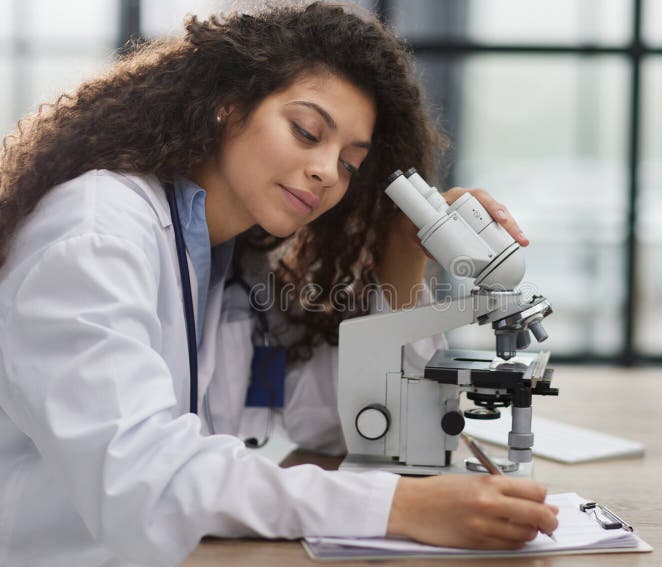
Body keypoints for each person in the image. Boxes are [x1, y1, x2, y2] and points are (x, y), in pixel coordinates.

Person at [0, 3, 558, 566]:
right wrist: (401, 507)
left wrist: (403, 252)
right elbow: (146, 478)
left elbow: (342, 421)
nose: (325, 171)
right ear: (229, 103)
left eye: (349, 164)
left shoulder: (224, 258)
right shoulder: (95, 234)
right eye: (307, 131)